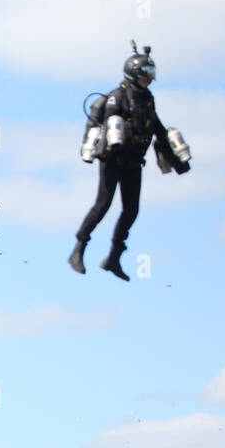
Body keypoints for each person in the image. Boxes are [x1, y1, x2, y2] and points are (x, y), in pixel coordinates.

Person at [69, 41, 191, 280]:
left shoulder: (148, 100)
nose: (148, 80)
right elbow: (111, 122)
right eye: (144, 75)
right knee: (103, 204)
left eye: (150, 76)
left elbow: (158, 129)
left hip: (134, 162)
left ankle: (114, 257)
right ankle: (79, 249)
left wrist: (179, 162)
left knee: (131, 210)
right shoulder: (117, 97)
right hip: (112, 159)